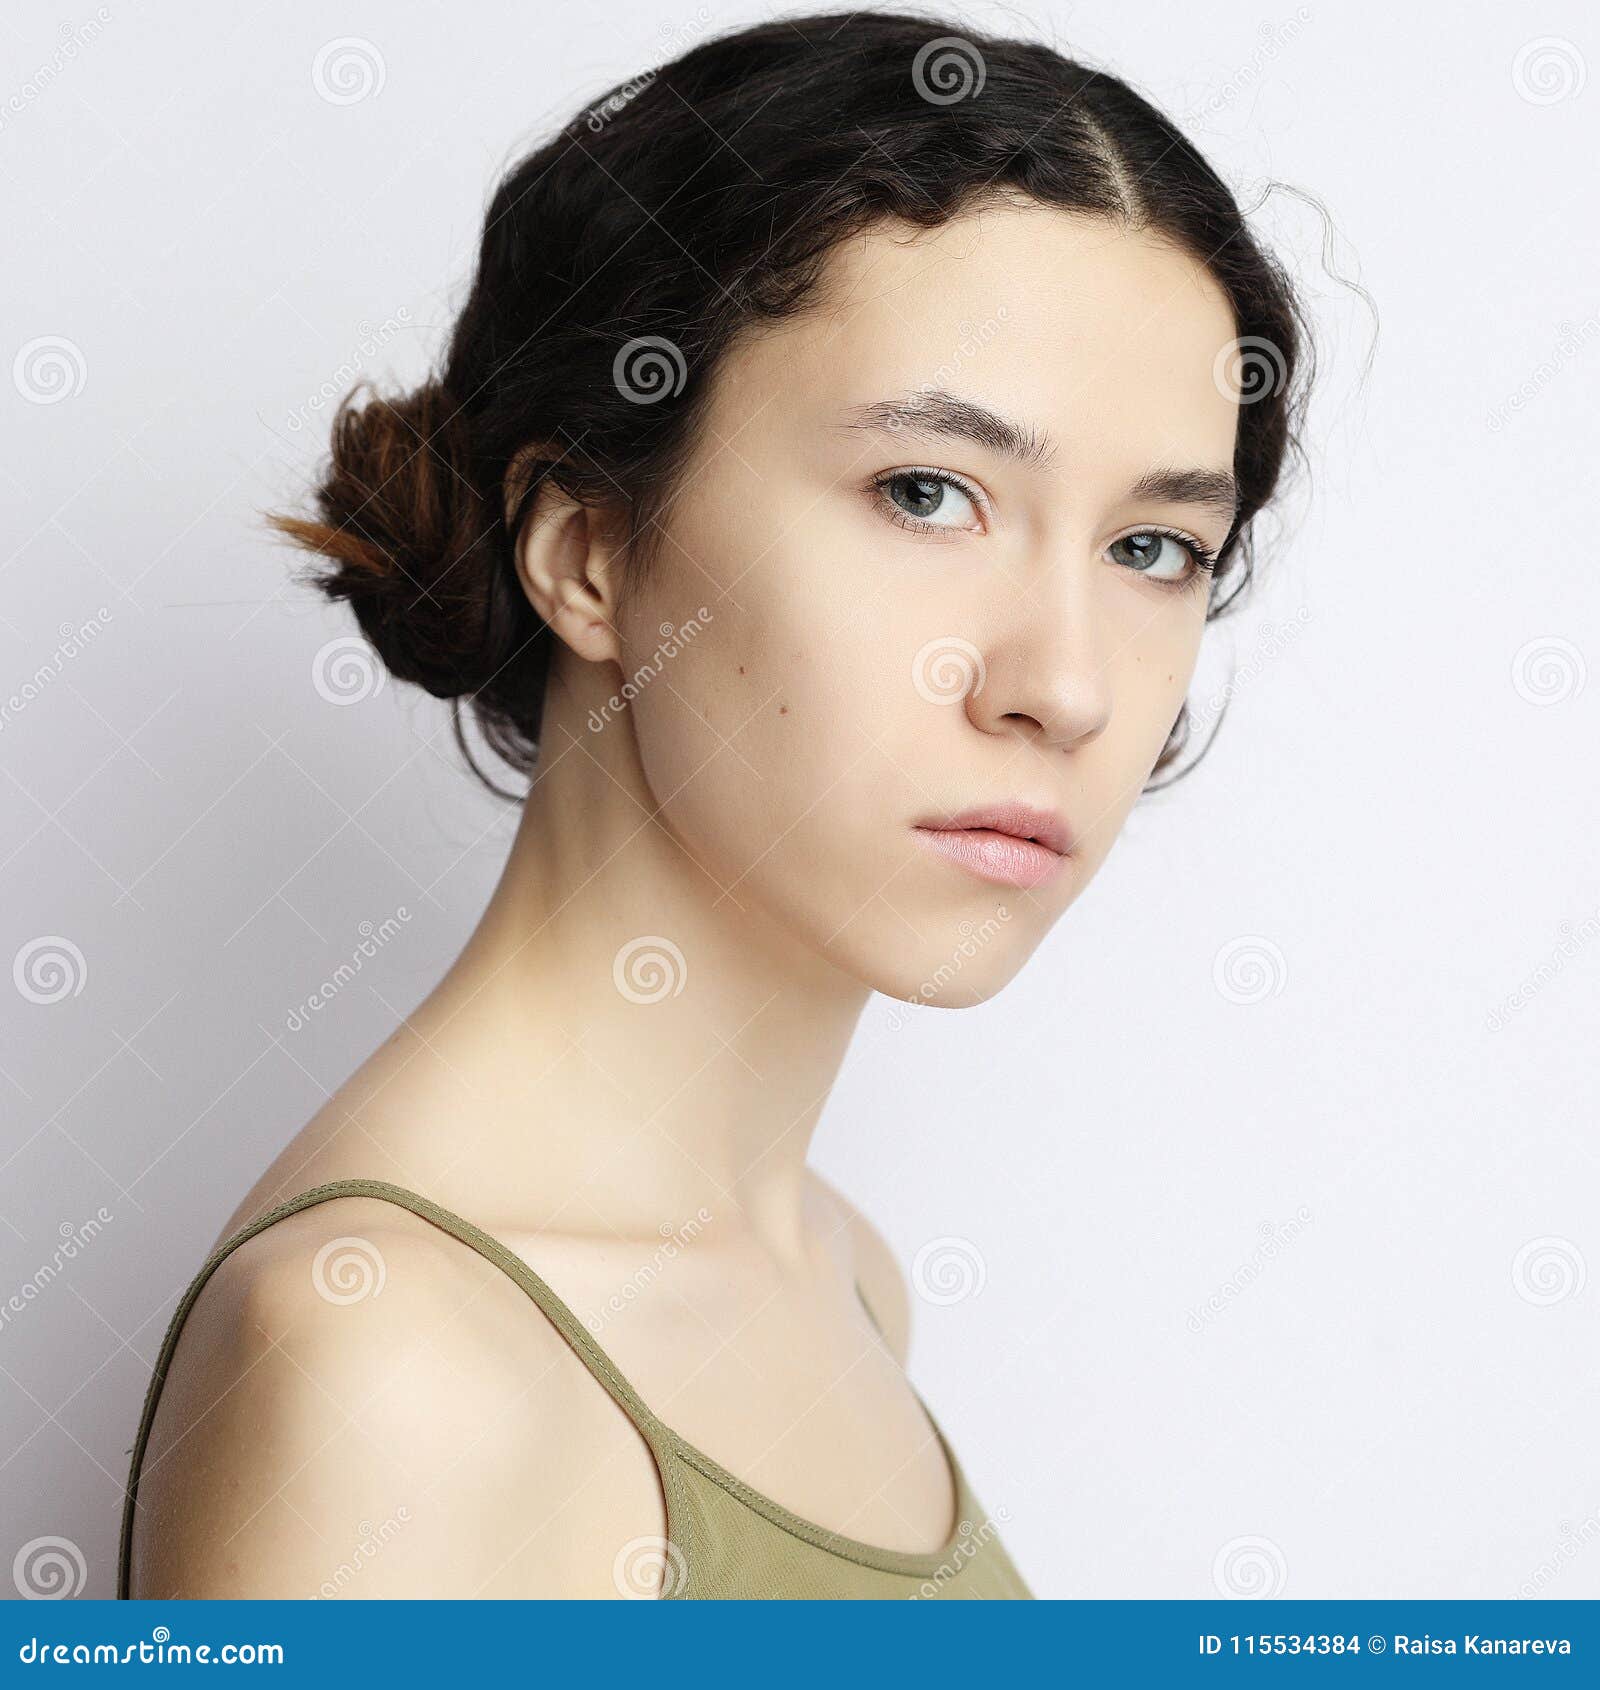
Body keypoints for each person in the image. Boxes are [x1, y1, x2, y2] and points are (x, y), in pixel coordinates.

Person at [118, 7, 1310, 1599]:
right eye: (928, 492)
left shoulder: (845, 1278)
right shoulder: (389, 1368)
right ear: (590, 551)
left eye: (1151, 546)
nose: (1068, 685)